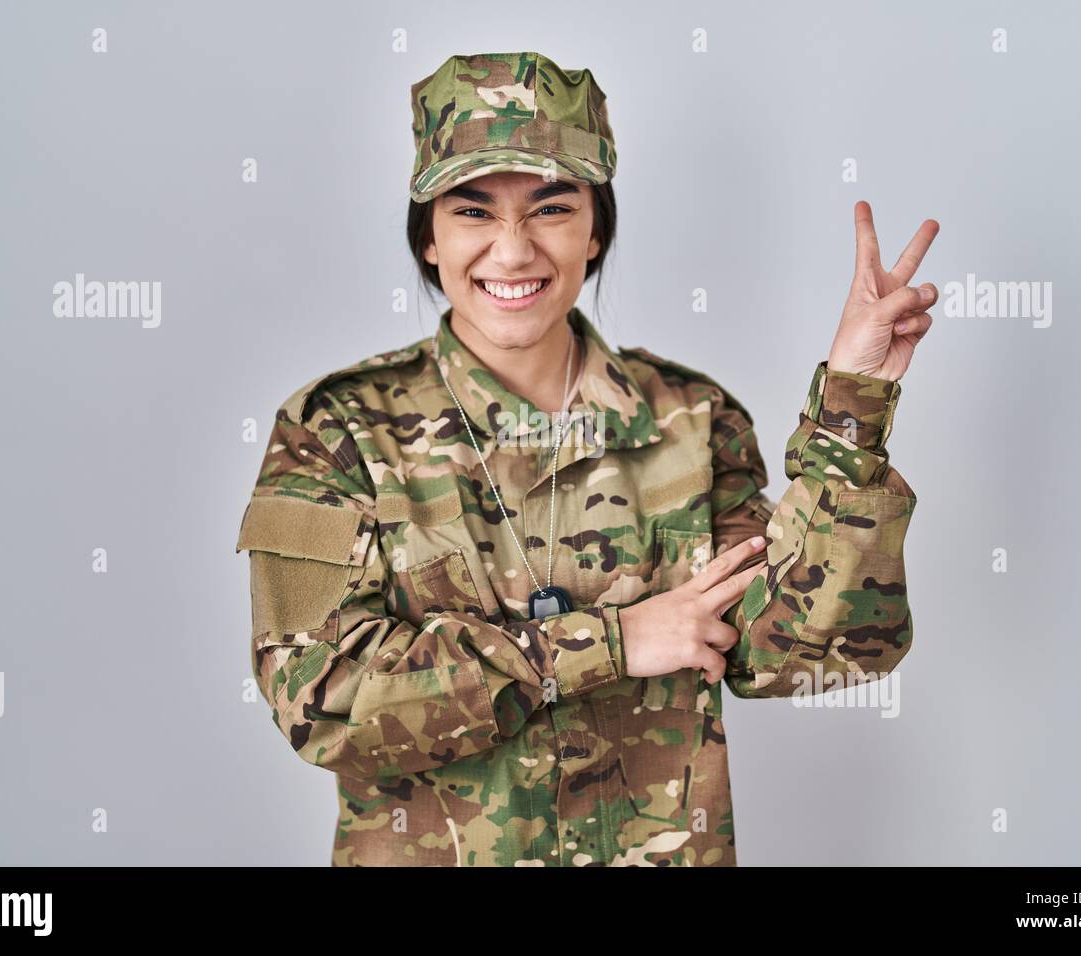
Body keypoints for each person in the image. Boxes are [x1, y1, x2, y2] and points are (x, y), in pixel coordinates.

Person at [235, 51, 935, 866]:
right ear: (428, 237)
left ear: (594, 228)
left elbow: (811, 653)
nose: (512, 251)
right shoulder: (337, 430)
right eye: (472, 212)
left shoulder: (692, 420)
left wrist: (853, 406)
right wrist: (612, 643)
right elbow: (318, 698)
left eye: (551, 208)